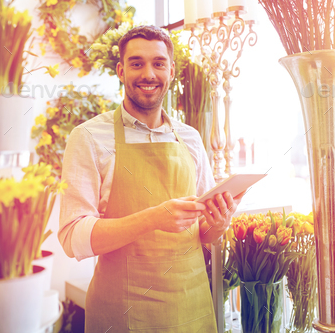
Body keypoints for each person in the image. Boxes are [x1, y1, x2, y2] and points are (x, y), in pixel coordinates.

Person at [58, 25, 244, 332]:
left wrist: (219, 222)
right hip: (123, 313)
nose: (148, 74)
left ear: (171, 71)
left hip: (191, 307)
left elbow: (203, 232)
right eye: (136, 63)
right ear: (121, 70)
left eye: (158, 63)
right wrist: (155, 217)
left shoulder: (191, 138)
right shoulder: (89, 137)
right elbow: (72, 237)